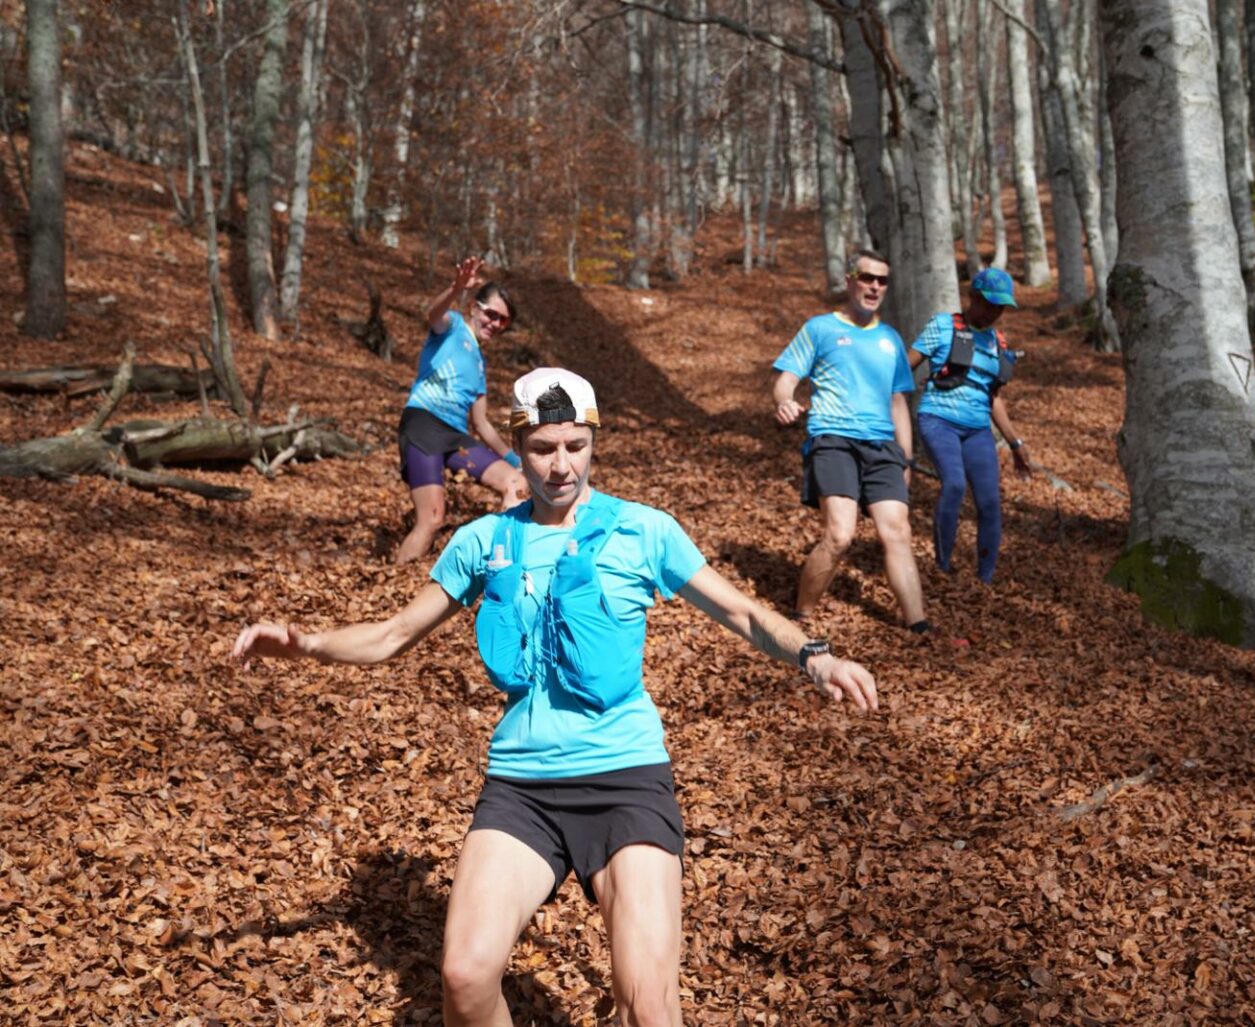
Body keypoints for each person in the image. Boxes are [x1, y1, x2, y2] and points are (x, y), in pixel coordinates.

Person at [233, 367, 877, 1027]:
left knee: (649, 1007)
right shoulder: (483, 543)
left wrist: (813, 654)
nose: (562, 464)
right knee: (464, 975)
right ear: (517, 444)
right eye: (543, 448)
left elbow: (739, 611)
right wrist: (306, 643)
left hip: (625, 780)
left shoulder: (642, 530)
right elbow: (394, 633)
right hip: (523, 787)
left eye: (576, 444)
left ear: (594, 440)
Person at [771, 248, 929, 633]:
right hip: (834, 439)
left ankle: (920, 626)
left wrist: (905, 458)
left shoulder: (890, 338)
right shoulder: (820, 328)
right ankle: (801, 615)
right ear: (850, 280)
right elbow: (786, 379)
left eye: (882, 280)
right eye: (867, 278)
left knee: (898, 532)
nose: (874, 286)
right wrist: (785, 402)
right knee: (840, 535)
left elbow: (897, 401)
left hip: (882, 449)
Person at [395, 256, 527, 564]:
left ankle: (502, 564)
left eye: (502, 321)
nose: (495, 324)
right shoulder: (453, 326)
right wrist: (456, 287)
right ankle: (397, 582)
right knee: (431, 518)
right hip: (423, 423)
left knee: (516, 483)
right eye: (491, 314)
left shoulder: (480, 364)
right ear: (474, 307)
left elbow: (481, 424)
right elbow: (432, 313)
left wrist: (516, 460)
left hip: (455, 436)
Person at [906, 267, 1032, 584]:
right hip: (938, 418)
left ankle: (985, 579)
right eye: (989, 304)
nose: (993, 313)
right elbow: (905, 366)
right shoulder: (944, 326)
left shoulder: (997, 342)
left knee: (990, 501)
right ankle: (942, 568)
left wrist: (1015, 443)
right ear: (972, 297)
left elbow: (993, 398)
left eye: (1000, 307)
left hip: (977, 430)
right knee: (955, 484)